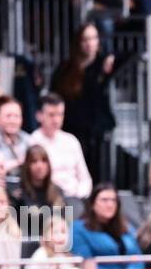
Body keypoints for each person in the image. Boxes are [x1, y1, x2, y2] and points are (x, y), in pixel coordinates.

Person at [50, 22, 116, 181]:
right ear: (78, 42)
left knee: (96, 172)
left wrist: (111, 57)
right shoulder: (66, 67)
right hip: (71, 128)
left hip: (96, 130)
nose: (89, 43)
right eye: (85, 39)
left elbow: (129, 56)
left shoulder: (103, 64)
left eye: (93, 38)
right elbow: (55, 94)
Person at [27, 92, 92, 200]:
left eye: (60, 114)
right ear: (39, 116)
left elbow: (85, 178)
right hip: (47, 200)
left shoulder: (71, 140)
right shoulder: (33, 142)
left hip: (75, 197)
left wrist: (80, 195)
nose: (56, 120)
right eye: (51, 115)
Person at [70, 183, 141, 269]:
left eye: (113, 200)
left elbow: (138, 259)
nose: (110, 205)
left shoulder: (127, 228)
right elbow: (87, 263)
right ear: (92, 204)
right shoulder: (78, 229)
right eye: (104, 200)